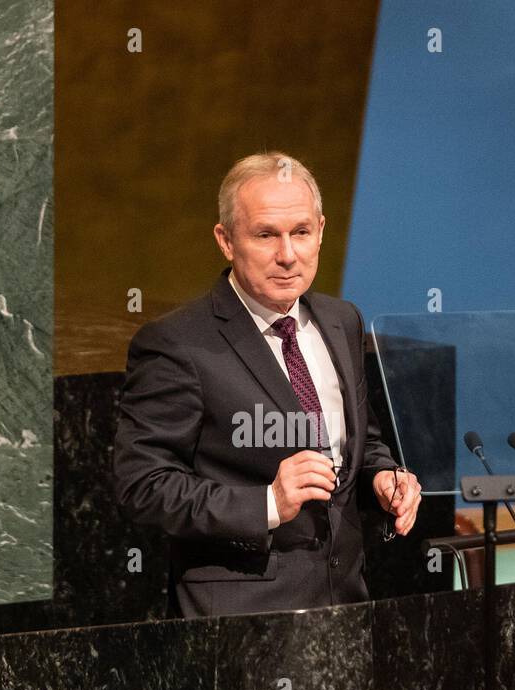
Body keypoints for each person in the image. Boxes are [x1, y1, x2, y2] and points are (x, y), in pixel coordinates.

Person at [114, 151, 421, 617]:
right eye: (265, 235)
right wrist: (267, 504)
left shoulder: (342, 321)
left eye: (300, 232)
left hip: (346, 601)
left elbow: (361, 444)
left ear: (321, 230)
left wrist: (382, 477)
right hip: (241, 615)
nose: (287, 254)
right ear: (226, 240)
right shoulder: (177, 344)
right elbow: (143, 485)